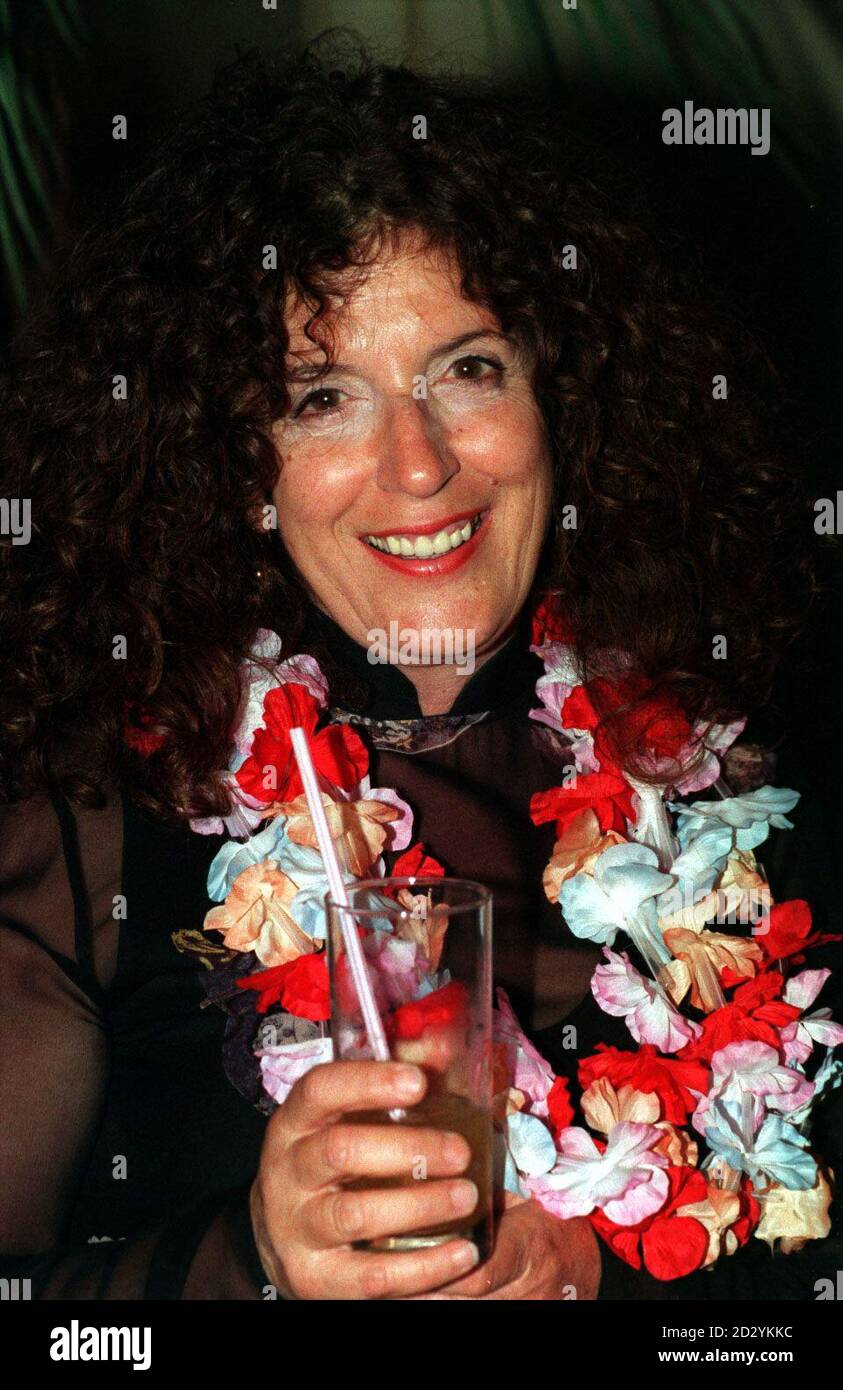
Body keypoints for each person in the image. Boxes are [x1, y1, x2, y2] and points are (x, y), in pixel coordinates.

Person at [1, 41, 838, 1301]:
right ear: (237, 468)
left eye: (468, 368)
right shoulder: (88, 834)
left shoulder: (751, 800)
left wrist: (612, 1281)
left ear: (566, 400)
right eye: (323, 398)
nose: (419, 466)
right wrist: (250, 1265)